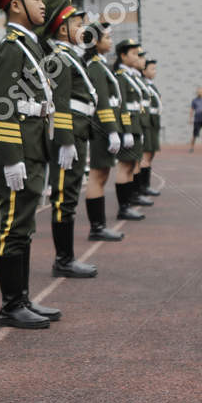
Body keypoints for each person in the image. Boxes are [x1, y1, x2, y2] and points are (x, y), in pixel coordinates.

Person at [0, 0, 61, 329]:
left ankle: (23, 298)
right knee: (14, 225)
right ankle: (10, 305)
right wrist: (12, 157)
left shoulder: (30, 44)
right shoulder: (11, 48)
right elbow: (3, 107)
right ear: (16, 4)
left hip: (35, 146)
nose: (42, 4)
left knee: (25, 225)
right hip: (20, 151)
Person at [41, 0, 97, 278]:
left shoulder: (72, 55)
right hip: (69, 133)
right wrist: (64, 140)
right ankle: (63, 260)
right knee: (64, 196)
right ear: (63, 29)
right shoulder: (59, 58)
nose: (83, 28)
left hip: (77, 130)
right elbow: (60, 101)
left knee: (71, 194)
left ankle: (67, 257)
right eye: (78, 24)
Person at [81, 23, 126, 242]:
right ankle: (97, 227)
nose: (110, 40)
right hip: (101, 129)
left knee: (101, 176)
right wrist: (111, 131)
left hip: (105, 129)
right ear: (95, 42)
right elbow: (103, 103)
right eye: (106, 37)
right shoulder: (96, 68)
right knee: (97, 176)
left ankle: (99, 226)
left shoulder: (100, 65)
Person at [112, 40, 150, 221]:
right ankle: (123, 207)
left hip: (135, 126)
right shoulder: (120, 76)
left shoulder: (129, 76)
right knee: (124, 166)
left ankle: (128, 203)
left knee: (130, 165)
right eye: (133, 54)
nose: (137, 57)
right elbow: (122, 106)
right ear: (123, 56)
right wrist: (126, 130)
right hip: (128, 127)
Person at [139, 56, 163, 198]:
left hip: (153, 122)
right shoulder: (143, 85)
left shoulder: (151, 85)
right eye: (152, 68)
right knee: (145, 155)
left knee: (151, 154)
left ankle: (146, 185)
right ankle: (143, 187)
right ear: (144, 70)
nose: (154, 71)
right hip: (147, 122)